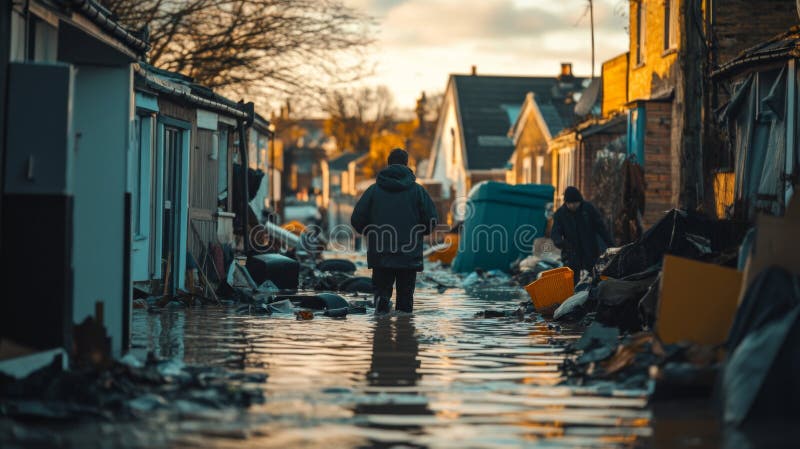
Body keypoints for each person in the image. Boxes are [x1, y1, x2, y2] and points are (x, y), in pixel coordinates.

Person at [351, 148, 438, 314]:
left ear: (388, 164)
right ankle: (404, 336)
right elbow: (432, 220)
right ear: (407, 164)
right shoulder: (418, 191)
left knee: (380, 304)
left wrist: (371, 234)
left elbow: (357, 219)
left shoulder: (373, 191)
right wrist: (419, 233)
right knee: (405, 307)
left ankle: (381, 333)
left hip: (380, 255)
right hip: (409, 255)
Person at [551, 186, 614, 284]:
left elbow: (601, 228)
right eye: (569, 203)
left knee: (592, 279)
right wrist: (561, 243)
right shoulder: (560, 214)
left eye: (575, 203)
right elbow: (555, 233)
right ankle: (573, 297)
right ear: (566, 203)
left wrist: (611, 244)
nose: (572, 206)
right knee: (571, 281)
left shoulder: (588, 210)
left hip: (590, 250)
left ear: (580, 201)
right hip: (570, 253)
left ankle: (591, 297)